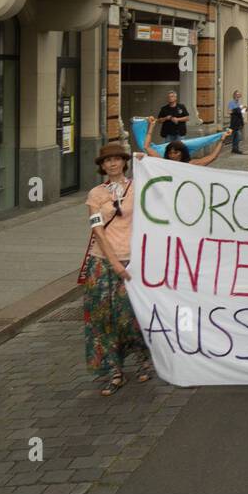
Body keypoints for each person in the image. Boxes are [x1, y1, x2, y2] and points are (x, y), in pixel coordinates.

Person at [83, 143, 151, 396]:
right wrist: (112, 261)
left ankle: (144, 357)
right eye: (106, 161)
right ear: (101, 166)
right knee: (104, 317)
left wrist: (148, 163)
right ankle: (114, 369)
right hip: (103, 262)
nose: (111, 164)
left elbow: (163, 193)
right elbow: (97, 230)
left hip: (134, 260)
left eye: (116, 159)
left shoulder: (138, 187)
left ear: (124, 162)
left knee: (131, 315)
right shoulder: (95, 194)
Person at [141, 117, 230, 166]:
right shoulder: (164, 162)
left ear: (182, 153)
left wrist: (222, 140)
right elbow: (146, 147)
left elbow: (212, 157)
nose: (172, 155)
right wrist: (152, 126)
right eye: (170, 153)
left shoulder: (190, 165)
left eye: (176, 152)